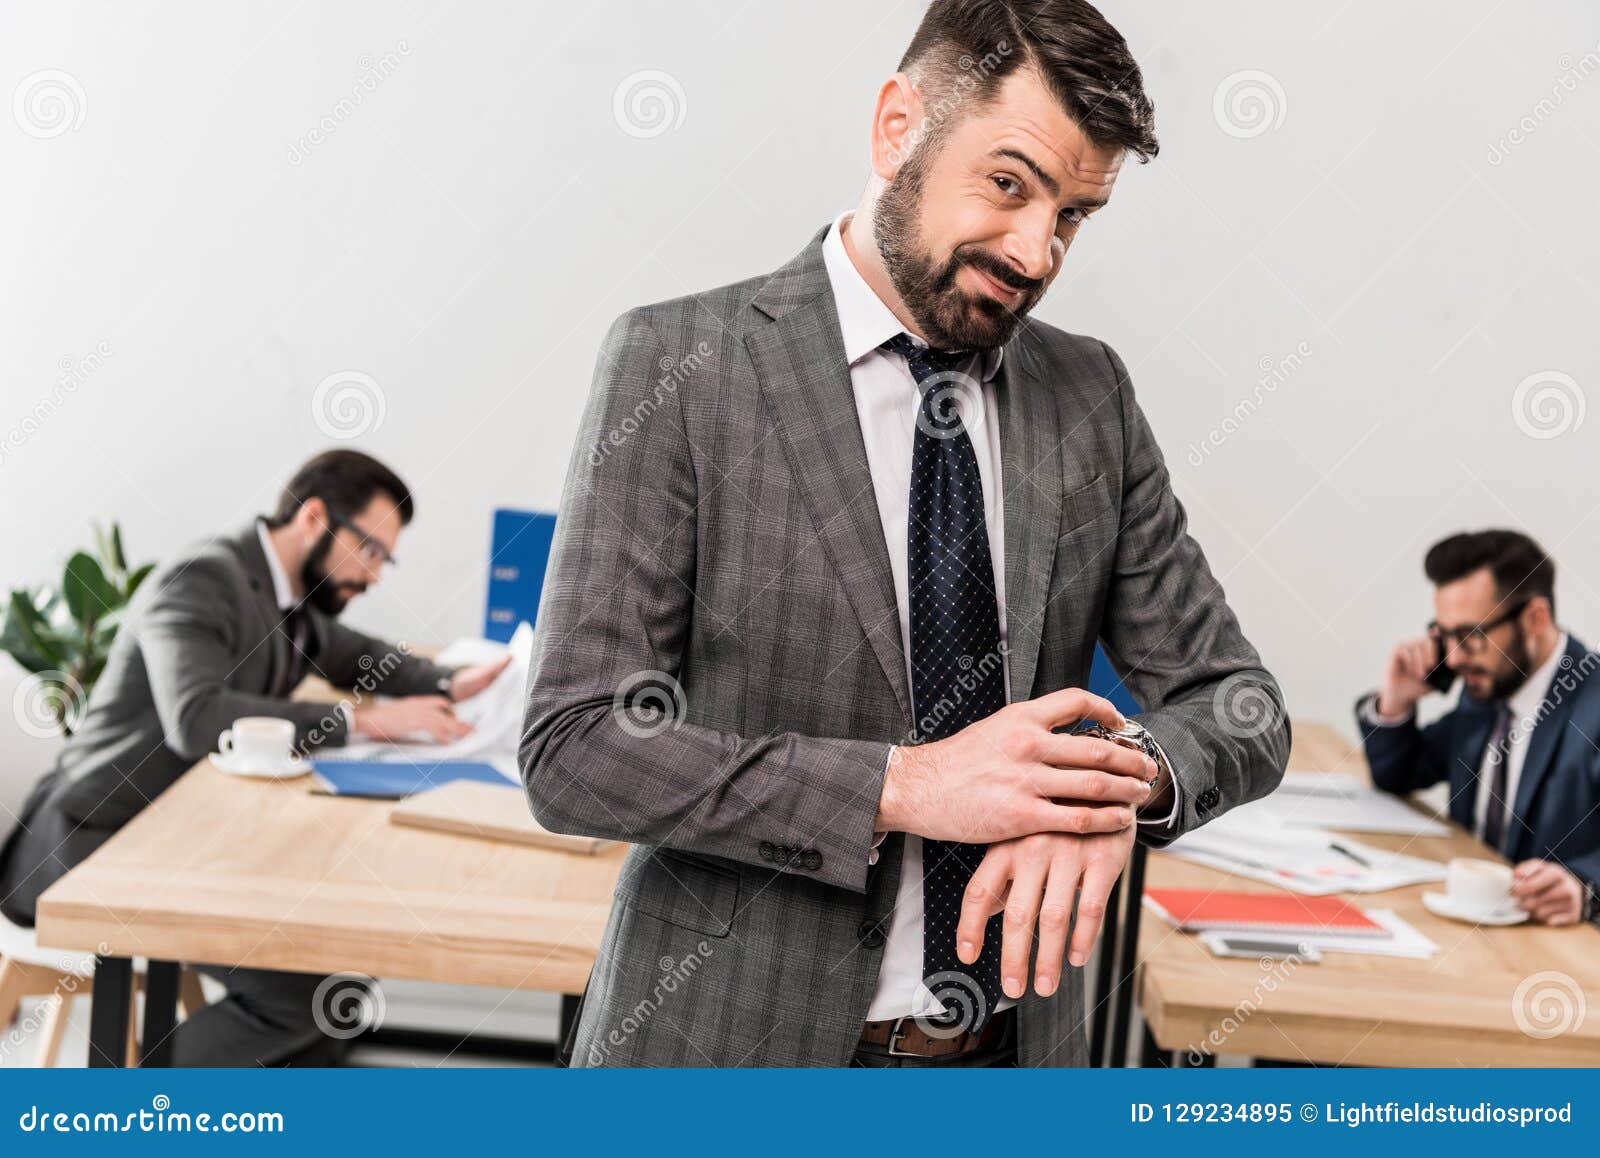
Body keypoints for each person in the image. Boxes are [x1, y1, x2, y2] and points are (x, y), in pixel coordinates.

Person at [520, 0, 1287, 1067]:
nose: (1035, 251)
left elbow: (1239, 704)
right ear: (897, 129)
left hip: (1009, 1060)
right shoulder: (681, 367)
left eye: (1072, 215)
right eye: (1009, 184)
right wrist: (906, 786)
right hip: (729, 1050)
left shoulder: (1088, 396)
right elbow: (576, 748)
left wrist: (1120, 781)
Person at [0, 449, 510, 1063]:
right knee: (314, 993)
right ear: (315, 517)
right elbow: (196, 718)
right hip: (92, 845)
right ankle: (130, 1115)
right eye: (369, 550)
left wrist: (446, 683)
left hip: (179, 839)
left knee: (341, 979)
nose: (374, 574)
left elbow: (353, 653)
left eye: (384, 559)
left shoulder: (294, 598)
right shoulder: (204, 579)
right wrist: (363, 720)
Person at [1358, 529, 1600, 926]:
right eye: (1445, 634)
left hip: (1559, 952)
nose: (1452, 659)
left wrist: (1585, 889)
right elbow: (1397, 774)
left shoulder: (1591, 702)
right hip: (1471, 929)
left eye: (1470, 636)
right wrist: (1396, 701)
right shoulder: (1487, 692)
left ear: (1535, 618)